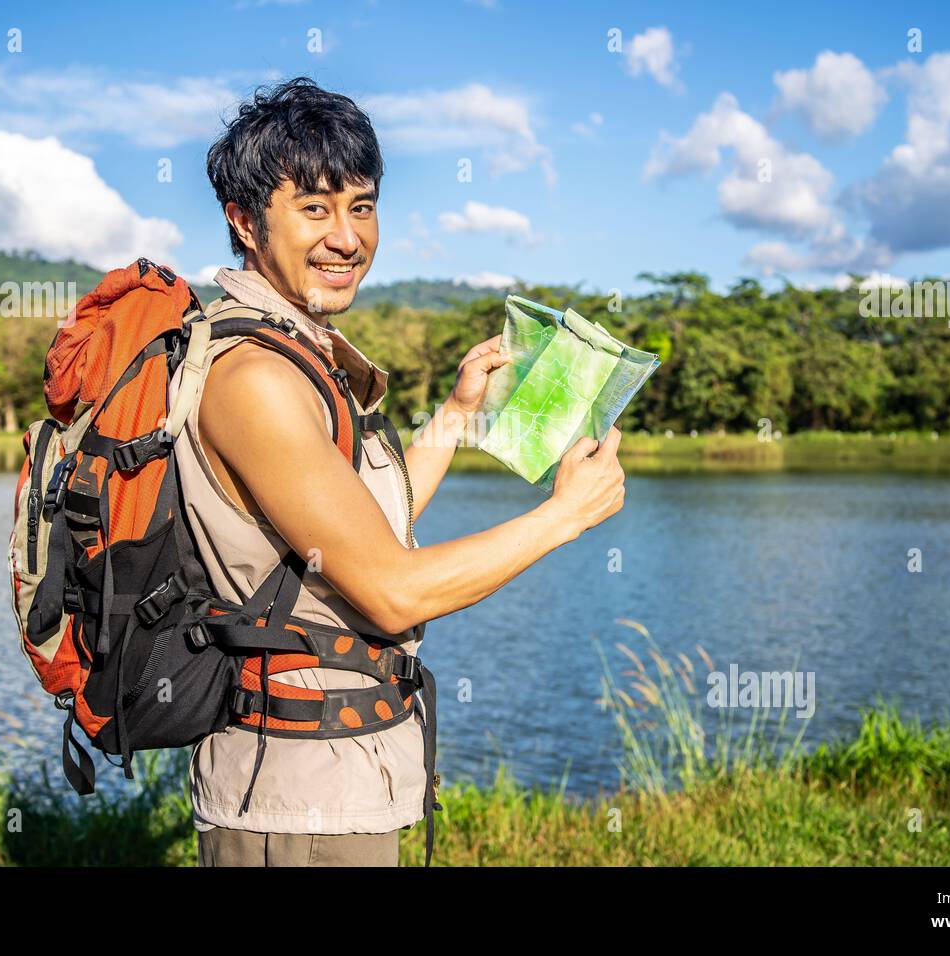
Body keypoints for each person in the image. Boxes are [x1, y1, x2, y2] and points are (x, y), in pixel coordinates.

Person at [184, 75, 625, 867]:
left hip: (333, 779)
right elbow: (392, 591)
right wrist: (565, 516)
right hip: (294, 802)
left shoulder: (297, 351)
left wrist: (456, 414)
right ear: (244, 221)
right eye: (314, 209)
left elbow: (358, 533)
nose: (346, 237)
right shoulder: (255, 377)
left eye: (362, 207)